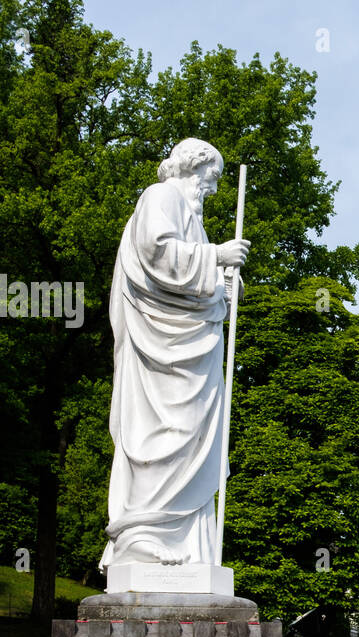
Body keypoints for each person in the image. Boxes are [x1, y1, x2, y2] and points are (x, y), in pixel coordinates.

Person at [100, 138, 251, 571]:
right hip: (161, 355)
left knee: (189, 442)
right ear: (193, 166)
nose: (215, 188)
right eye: (212, 177)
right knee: (164, 435)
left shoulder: (193, 218)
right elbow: (157, 254)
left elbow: (198, 290)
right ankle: (142, 535)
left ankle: (183, 544)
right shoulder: (161, 196)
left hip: (190, 352)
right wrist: (216, 256)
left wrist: (225, 286)